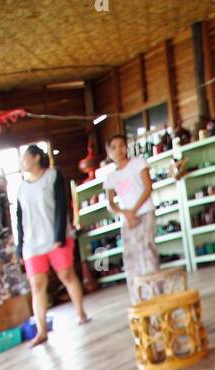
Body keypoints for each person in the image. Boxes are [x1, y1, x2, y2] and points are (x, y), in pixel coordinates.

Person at [16, 143, 89, 345]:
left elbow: (61, 204)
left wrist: (59, 235)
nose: (22, 162)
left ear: (36, 158)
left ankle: (81, 313)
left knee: (66, 275)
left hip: (56, 236)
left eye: (24, 158)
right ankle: (41, 331)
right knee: (37, 285)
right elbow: (19, 219)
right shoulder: (21, 188)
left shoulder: (52, 176)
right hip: (32, 243)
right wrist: (20, 247)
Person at [102, 134, 159, 302]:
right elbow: (111, 203)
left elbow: (148, 188)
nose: (119, 150)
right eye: (114, 147)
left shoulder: (138, 163)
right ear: (108, 152)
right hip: (127, 219)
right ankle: (138, 297)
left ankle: (155, 294)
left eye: (122, 145)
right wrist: (125, 214)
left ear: (126, 147)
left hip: (145, 212)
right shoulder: (111, 178)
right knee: (131, 257)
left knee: (147, 252)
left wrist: (132, 211)